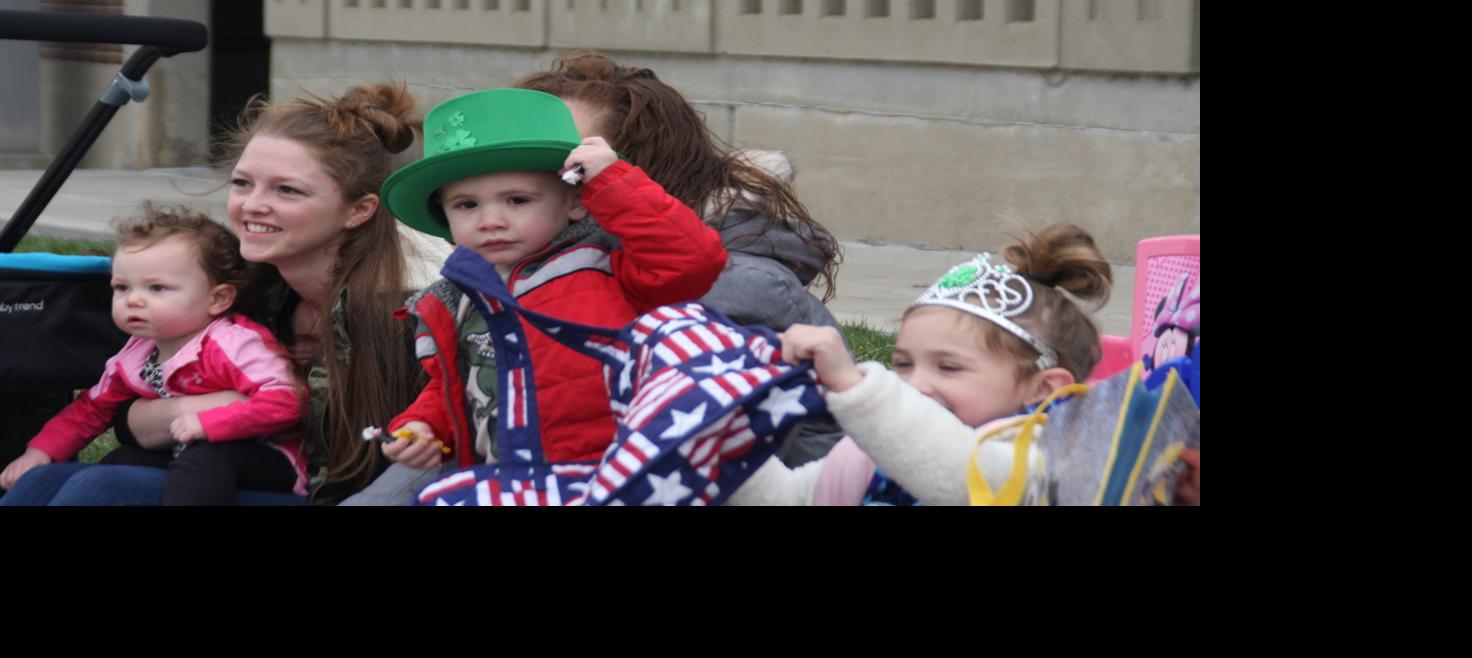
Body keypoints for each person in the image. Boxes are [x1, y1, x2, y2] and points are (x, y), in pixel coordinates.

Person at [0, 84, 427, 506]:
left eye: (287, 190)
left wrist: (202, 414)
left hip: (345, 497)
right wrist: (210, 408)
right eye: (243, 183)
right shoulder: (241, 286)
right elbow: (131, 418)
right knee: (45, 482)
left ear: (360, 210)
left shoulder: (410, 309)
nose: (252, 205)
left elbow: (438, 457)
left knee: (105, 488)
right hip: (219, 465)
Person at [515, 52, 845, 466]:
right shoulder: (537, 265)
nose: (524, 183)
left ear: (640, 173)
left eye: (566, 167)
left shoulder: (729, 286)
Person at [375, 88, 725, 472]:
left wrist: (613, 183)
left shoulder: (607, 266)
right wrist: (423, 426)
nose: (490, 220)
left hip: (611, 481)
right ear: (443, 213)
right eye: (467, 205)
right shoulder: (455, 298)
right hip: (504, 486)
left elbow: (693, 261)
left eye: (517, 200)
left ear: (575, 202)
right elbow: (459, 385)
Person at [728, 224, 1111, 506]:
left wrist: (853, 386)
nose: (914, 385)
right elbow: (789, 498)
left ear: (1043, 389)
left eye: (949, 367)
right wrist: (720, 435)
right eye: (902, 363)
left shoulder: (1047, 457)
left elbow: (963, 480)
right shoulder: (881, 446)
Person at [1, 204, 305, 504]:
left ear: (218, 299)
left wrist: (210, 422)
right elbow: (91, 410)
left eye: (157, 288)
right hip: (187, 448)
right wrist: (40, 452)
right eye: (121, 287)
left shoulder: (233, 343)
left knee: (205, 458)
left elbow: (287, 399)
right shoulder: (136, 353)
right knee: (118, 462)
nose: (133, 300)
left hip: (269, 457)